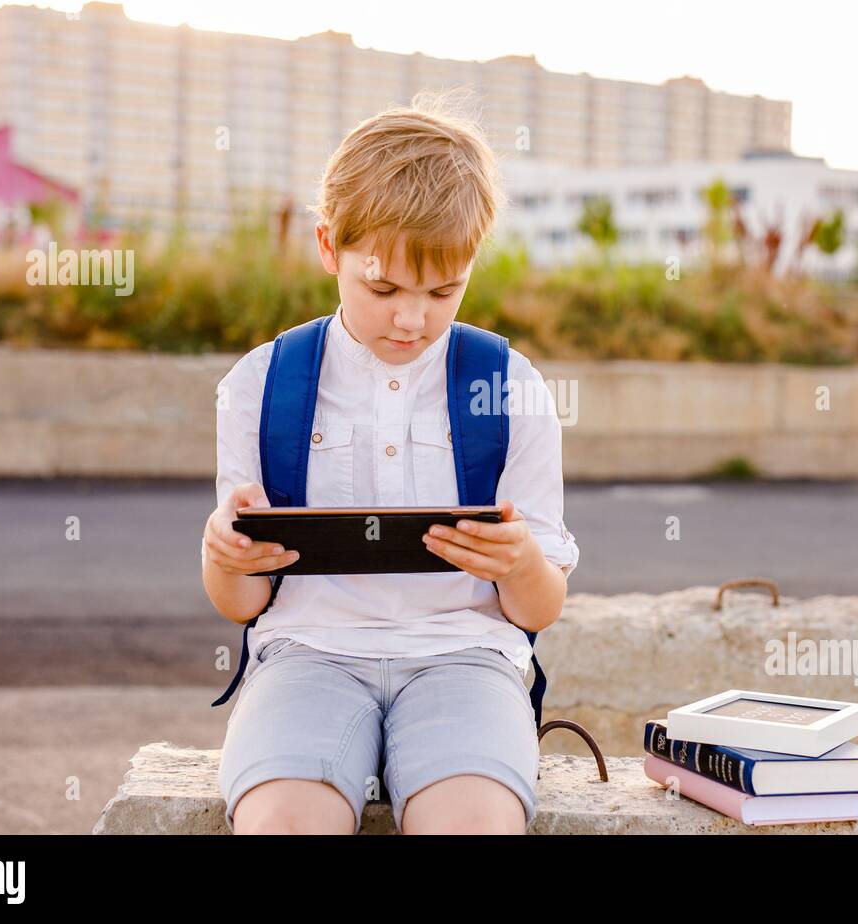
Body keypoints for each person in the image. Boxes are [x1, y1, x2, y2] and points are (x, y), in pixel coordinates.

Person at [201, 94, 580, 834]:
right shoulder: (262, 383)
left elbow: (537, 611)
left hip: (467, 659)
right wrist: (222, 552)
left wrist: (519, 562)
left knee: (472, 823)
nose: (411, 319)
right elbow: (240, 604)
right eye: (382, 288)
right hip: (306, 654)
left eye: (444, 291)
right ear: (327, 248)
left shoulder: (509, 385)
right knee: (282, 821)